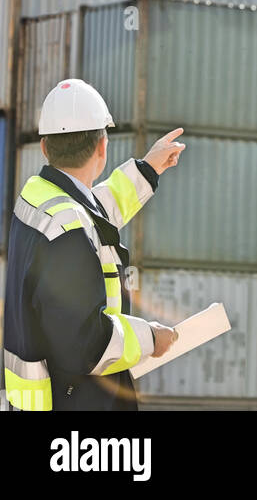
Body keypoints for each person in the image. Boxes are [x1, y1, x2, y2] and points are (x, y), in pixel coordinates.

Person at [3, 78, 186, 412]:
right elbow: (85, 345)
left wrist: (147, 169)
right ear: (103, 148)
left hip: (37, 399)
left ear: (44, 146)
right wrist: (149, 339)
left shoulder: (38, 197)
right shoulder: (69, 233)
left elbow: (91, 213)